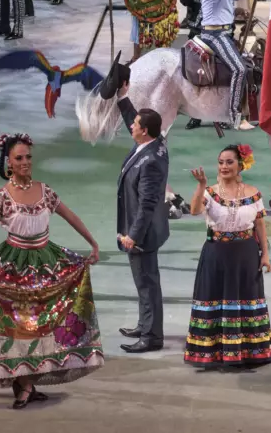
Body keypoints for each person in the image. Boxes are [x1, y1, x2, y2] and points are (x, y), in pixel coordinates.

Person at [0, 133, 103, 407]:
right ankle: (23, 383)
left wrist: (92, 242)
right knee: (18, 325)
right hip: (12, 265)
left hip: (46, 262)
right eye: (19, 158)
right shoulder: (2, 197)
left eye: (28, 157)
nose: (25, 162)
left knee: (41, 324)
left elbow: (70, 216)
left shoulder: (45, 191)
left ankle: (29, 381)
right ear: (8, 162)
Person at [185, 144, 271, 366]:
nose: (224, 166)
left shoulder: (253, 194)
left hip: (246, 254)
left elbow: (260, 225)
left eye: (229, 162)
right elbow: (194, 210)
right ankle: (213, 353)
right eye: (221, 162)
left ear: (241, 165)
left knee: (247, 298)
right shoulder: (211, 193)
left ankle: (250, 352)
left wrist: (265, 255)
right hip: (216, 254)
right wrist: (201, 185)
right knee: (215, 298)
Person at [112, 84, 169, 353]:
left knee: (146, 283)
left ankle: (151, 337)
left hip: (142, 232)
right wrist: (123, 98)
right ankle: (145, 324)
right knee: (144, 281)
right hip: (144, 229)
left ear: (144, 131)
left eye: (135, 124)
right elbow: (134, 119)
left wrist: (133, 236)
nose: (131, 126)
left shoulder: (150, 161)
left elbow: (146, 204)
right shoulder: (155, 144)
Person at [198, 0, 269, 129]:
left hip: (223, 32)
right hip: (214, 35)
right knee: (239, 69)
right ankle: (234, 115)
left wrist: (234, 12)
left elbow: (224, 3)